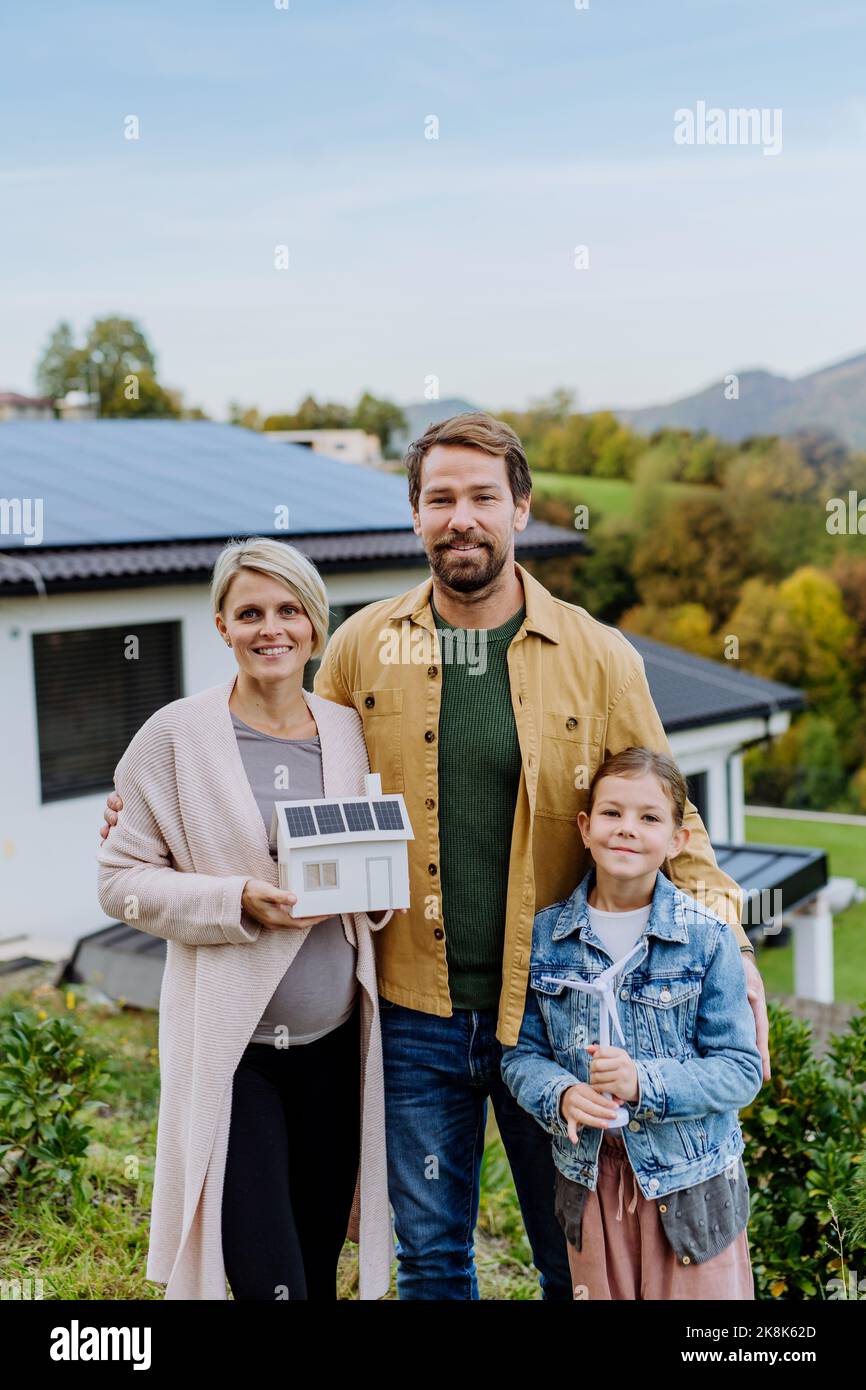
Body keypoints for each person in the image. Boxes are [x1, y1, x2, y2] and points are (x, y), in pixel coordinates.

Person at [102, 410, 770, 1302]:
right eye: (440, 498)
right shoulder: (362, 645)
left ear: (521, 508)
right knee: (432, 1262)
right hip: (411, 1007)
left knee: (567, 1258)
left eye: (483, 497)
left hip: (553, 1013)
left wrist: (732, 940)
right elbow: (286, 743)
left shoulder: (598, 656)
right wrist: (150, 804)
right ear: (415, 516)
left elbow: (670, 820)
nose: (462, 517)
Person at [96, 537, 395, 1301]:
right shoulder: (175, 738)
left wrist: (376, 893)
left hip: (335, 1046)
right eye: (250, 612)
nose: (272, 628)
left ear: (315, 628)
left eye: (290, 610)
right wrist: (232, 902)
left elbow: (369, 864)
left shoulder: (347, 729)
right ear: (222, 626)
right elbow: (120, 881)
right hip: (238, 1057)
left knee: (319, 1268)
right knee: (271, 1280)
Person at [500, 745, 763, 1300]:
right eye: (611, 813)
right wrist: (563, 1094)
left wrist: (645, 1082)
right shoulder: (544, 938)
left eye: (649, 818)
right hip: (591, 1182)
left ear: (676, 841)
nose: (626, 829)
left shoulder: (707, 938)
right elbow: (520, 1055)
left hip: (691, 1184)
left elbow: (741, 1070)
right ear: (584, 826)